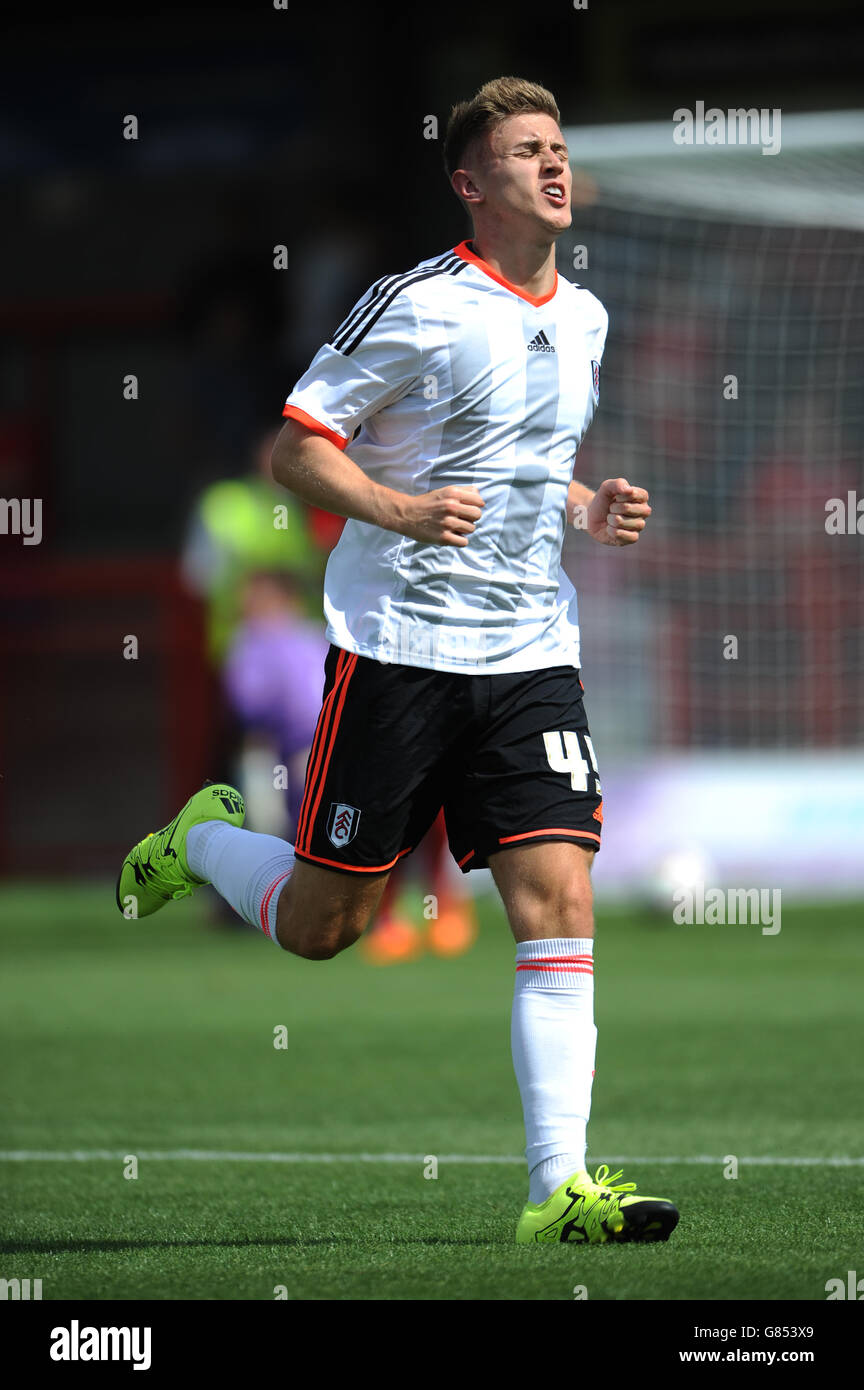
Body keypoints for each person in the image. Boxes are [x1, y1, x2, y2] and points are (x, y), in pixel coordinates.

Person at [117, 76, 677, 1246]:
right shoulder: (414, 305)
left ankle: (556, 1191)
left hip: (531, 651)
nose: (555, 165)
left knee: (557, 893)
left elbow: (522, 455)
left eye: (561, 146)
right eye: (528, 151)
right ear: (472, 183)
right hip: (401, 650)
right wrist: (397, 506)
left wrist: (586, 501)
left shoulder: (586, 318)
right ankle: (202, 839)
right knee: (329, 924)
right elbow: (295, 448)